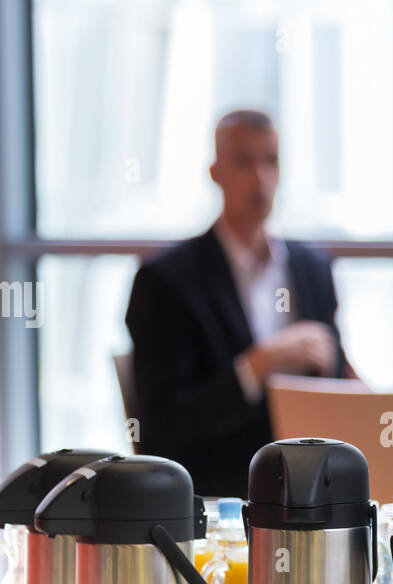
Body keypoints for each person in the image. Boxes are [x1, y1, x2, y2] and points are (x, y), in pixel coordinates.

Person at [125, 109, 356, 497]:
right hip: (225, 490)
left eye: (271, 162)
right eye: (244, 162)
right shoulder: (166, 280)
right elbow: (162, 428)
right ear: (215, 172)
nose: (260, 179)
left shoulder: (312, 268)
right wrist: (257, 365)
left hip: (319, 485)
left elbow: (338, 373)